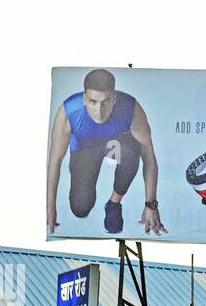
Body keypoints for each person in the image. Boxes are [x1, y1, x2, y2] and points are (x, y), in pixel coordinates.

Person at [47, 69, 167, 237]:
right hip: (85, 150)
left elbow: (149, 157)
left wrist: (150, 205)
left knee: (131, 151)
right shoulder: (69, 113)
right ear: (84, 99)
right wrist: (50, 207)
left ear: (114, 98)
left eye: (105, 102)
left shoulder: (131, 110)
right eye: (93, 102)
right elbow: (54, 161)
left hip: (115, 145)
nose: (99, 110)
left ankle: (114, 203)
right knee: (80, 208)